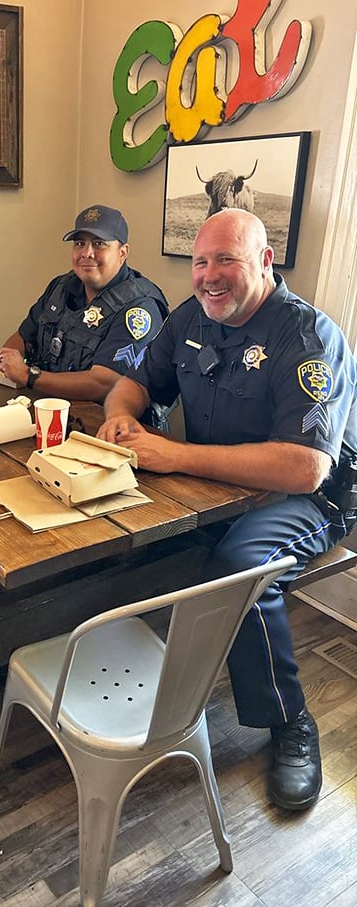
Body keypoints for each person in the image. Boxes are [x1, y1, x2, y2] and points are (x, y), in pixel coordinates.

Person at [97, 208, 357, 811]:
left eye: (227, 261)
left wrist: (177, 454)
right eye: (201, 261)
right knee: (117, 522)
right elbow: (135, 380)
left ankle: (289, 721)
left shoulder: (309, 338)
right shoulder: (192, 316)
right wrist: (121, 412)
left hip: (310, 499)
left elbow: (304, 467)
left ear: (264, 263)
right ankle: (140, 668)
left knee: (239, 567)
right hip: (216, 482)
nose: (210, 276)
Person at [0, 204, 169, 406]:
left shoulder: (139, 309)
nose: (86, 253)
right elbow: (24, 336)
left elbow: (103, 384)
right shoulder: (62, 286)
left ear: (122, 252)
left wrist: (29, 377)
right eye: (79, 243)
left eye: (99, 243)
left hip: (108, 424)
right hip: (52, 408)